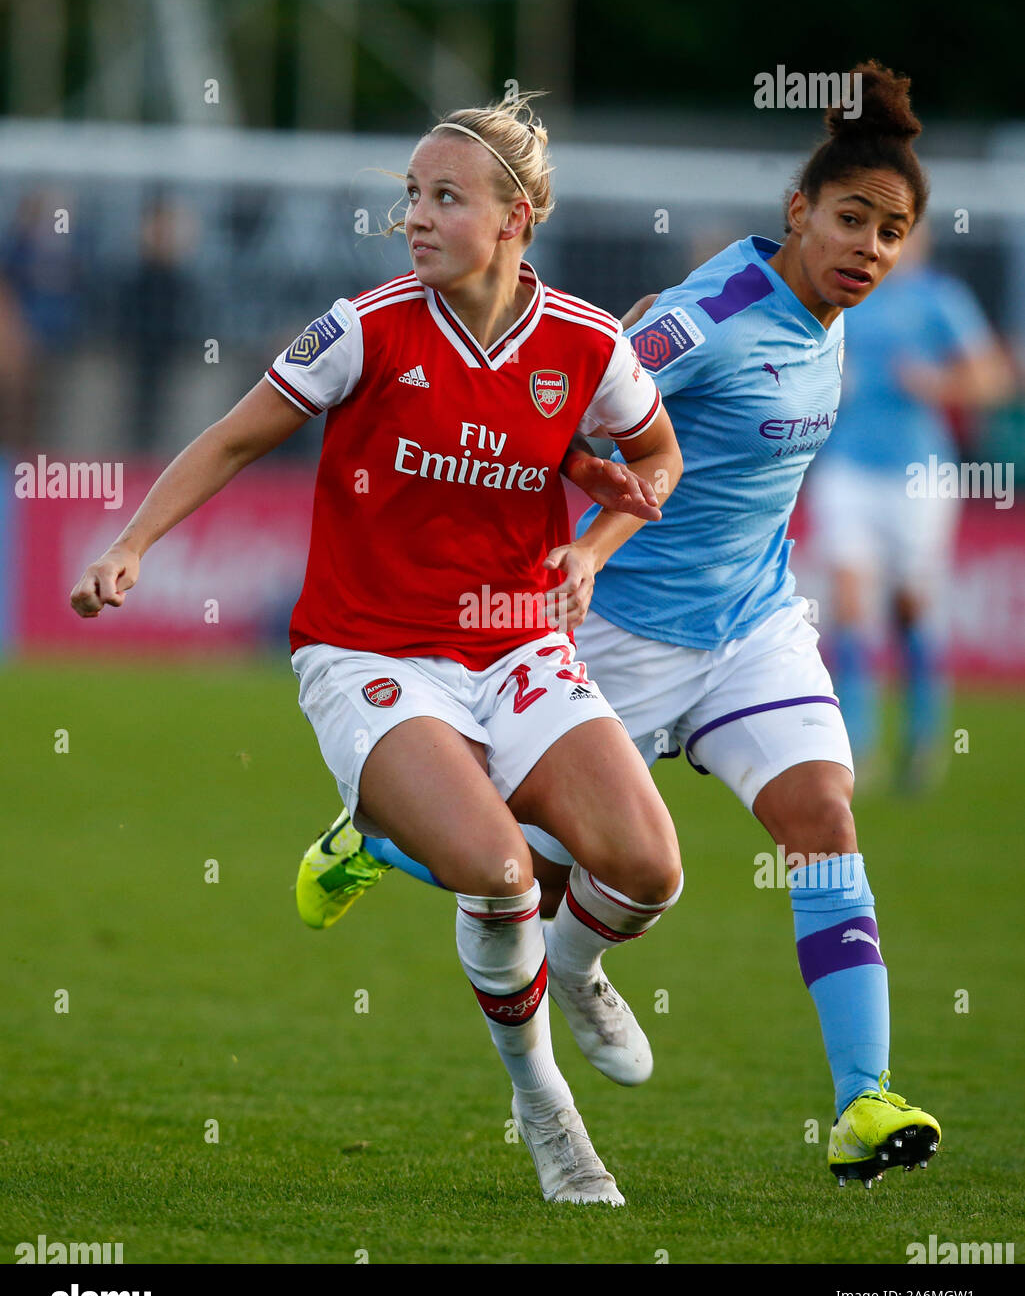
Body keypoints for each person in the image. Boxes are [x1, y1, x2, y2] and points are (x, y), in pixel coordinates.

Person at [300, 62, 943, 1191]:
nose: (869, 250)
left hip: (748, 624)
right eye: (850, 221)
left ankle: (859, 1102)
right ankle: (377, 836)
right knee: (518, 876)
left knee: (820, 812)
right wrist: (583, 553)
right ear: (796, 215)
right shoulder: (707, 317)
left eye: (889, 232)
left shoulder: (826, 316)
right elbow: (585, 388)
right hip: (615, 637)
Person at [70, 95, 685, 1207]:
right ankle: (545, 1109)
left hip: (515, 645)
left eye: (445, 197)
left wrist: (594, 543)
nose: (414, 216)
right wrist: (132, 544)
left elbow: (654, 464)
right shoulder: (366, 326)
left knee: (647, 871)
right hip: (368, 653)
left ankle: (578, 966)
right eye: (410, 194)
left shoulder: (587, 344)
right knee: (499, 874)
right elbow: (233, 435)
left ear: (517, 219)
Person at [805, 224, 1012, 790]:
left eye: (897, 231)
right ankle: (858, 749)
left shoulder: (938, 299)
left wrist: (937, 383)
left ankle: (923, 743)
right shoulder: (843, 296)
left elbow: (994, 377)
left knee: (912, 607)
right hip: (846, 468)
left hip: (918, 474)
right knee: (850, 604)